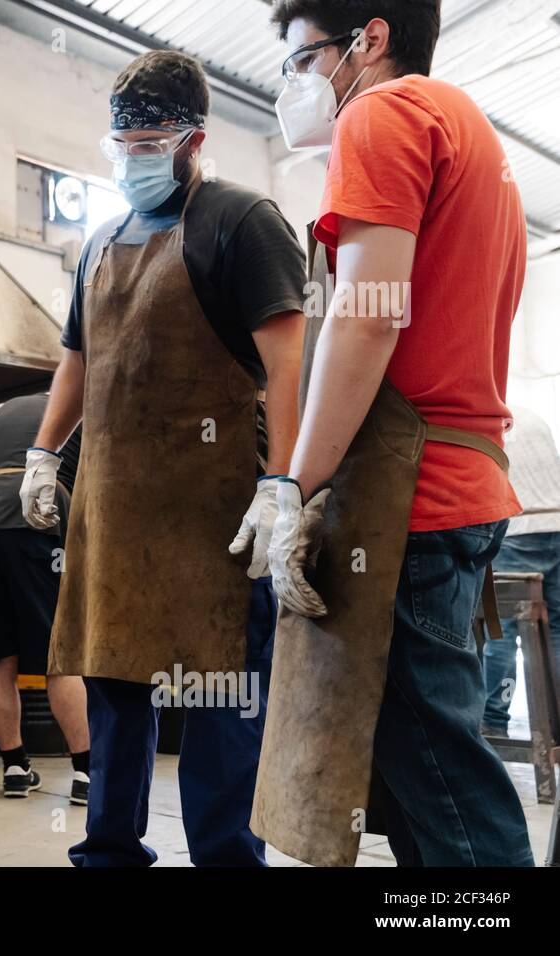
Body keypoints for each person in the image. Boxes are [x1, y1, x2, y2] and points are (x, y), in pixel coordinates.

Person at [255, 0, 533, 867]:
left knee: (445, 789)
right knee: (418, 793)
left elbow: (368, 319)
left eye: (304, 61)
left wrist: (292, 485)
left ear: (369, 39)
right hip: (459, 487)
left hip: (409, 501)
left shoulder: (381, 112)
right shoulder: (471, 135)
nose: (297, 84)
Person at [22, 50, 306, 867]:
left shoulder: (242, 222)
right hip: (114, 513)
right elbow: (78, 357)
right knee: (112, 688)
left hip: (214, 513)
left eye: (152, 141)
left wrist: (283, 482)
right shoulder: (98, 241)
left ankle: (224, 858)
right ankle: (109, 853)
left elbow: (287, 364)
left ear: (194, 140)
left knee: (218, 695)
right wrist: (45, 453)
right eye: (124, 145)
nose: (134, 158)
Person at [0, 396, 88, 801]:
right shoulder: (81, 408)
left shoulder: (14, 408)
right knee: (56, 651)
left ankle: (14, 767)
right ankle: (87, 772)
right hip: (27, 510)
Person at [482, 407, 560, 736]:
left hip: (518, 531)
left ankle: (494, 721)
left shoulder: (491, 420)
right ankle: (556, 724)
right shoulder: (534, 418)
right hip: (556, 524)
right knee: (555, 633)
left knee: (500, 633)